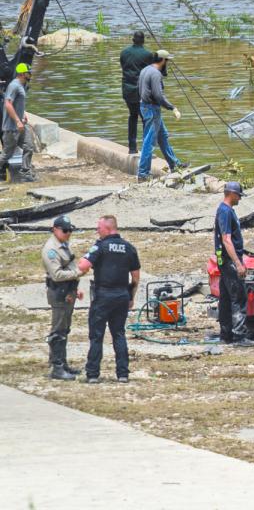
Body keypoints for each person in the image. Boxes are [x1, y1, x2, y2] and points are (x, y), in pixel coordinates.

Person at [76, 215, 139, 384]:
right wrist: (131, 296)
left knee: (97, 335)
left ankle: (93, 373)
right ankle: (123, 374)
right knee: (119, 334)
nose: (97, 231)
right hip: (121, 296)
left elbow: (83, 266)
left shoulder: (100, 246)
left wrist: (79, 262)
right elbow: (135, 277)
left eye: (99, 228)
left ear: (109, 228)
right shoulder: (129, 248)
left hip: (103, 295)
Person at [42, 215, 90, 381]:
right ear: (55, 230)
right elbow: (56, 275)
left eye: (70, 230)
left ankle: (62, 362)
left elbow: (68, 266)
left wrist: (75, 288)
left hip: (67, 291)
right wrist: (78, 273)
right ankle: (57, 367)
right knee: (58, 331)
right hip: (59, 293)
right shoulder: (51, 249)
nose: (68, 233)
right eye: (65, 230)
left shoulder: (63, 244)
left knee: (65, 328)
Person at [213, 182, 254, 347]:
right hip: (230, 261)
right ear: (231, 194)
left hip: (224, 261)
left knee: (225, 297)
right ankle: (239, 336)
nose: (239, 199)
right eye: (238, 195)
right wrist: (238, 263)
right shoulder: (225, 211)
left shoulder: (225, 211)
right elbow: (226, 239)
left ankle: (226, 334)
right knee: (238, 297)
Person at [136, 50, 187, 181]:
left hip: (145, 107)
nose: (167, 63)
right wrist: (172, 108)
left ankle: (175, 165)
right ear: (163, 60)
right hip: (152, 110)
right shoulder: (156, 74)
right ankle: (143, 174)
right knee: (149, 142)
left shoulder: (145, 70)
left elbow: (140, 88)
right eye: (167, 61)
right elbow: (159, 96)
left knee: (162, 137)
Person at [119, 31, 154, 154]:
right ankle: (146, 149)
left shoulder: (124, 53)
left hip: (127, 90)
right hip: (141, 92)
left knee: (132, 116)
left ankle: (132, 148)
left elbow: (124, 68)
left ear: (133, 40)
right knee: (146, 119)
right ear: (143, 41)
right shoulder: (148, 55)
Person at [3, 62, 36, 182]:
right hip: (12, 127)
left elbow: (18, 104)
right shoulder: (14, 85)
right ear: (22, 74)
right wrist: (17, 121)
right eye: (28, 73)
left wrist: (23, 114)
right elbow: (7, 104)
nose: (30, 75)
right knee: (7, 154)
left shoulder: (21, 86)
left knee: (29, 147)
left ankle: (25, 172)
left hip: (21, 125)